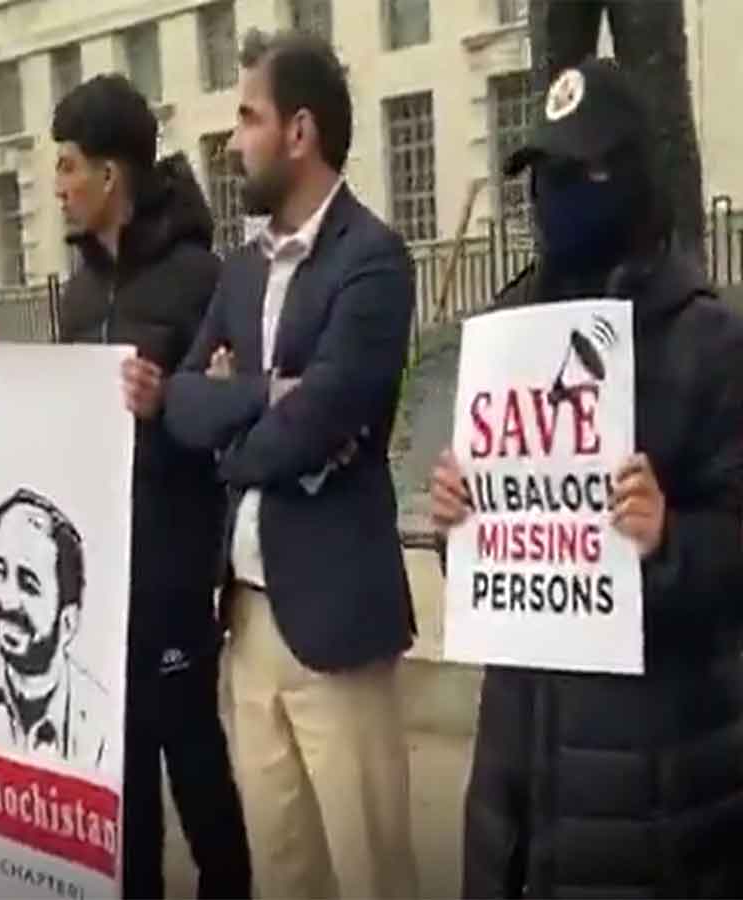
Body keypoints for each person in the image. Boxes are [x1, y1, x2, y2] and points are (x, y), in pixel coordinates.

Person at [429, 58, 743, 898]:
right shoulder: (507, 335)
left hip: (659, 794)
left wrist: (670, 536)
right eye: (544, 177)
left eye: (580, 174)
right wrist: (457, 522)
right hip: (516, 787)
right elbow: (492, 564)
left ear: (633, 180)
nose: (556, 197)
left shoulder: (709, 341)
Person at [164, 30, 419, 899]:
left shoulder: (373, 260)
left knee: (370, 867)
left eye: (247, 117)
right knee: (282, 870)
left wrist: (244, 428)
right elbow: (181, 404)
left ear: (300, 132)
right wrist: (265, 396)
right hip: (246, 621)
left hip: (335, 624)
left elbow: (320, 422)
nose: (233, 142)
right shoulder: (240, 271)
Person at [51, 74, 250, 899]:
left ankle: (229, 886)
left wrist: (166, 404)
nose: (57, 187)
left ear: (110, 175)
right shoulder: (82, 290)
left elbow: (230, 418)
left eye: (67, 167)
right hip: (103, 579)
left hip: (173, 571)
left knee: (193, 755)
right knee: (120, 768)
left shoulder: (200, 278)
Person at [0, 489, 109, 767]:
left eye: (29, 584)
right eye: (1, 572)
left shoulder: (100, 724)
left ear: (68, 622)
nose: (7, 600)